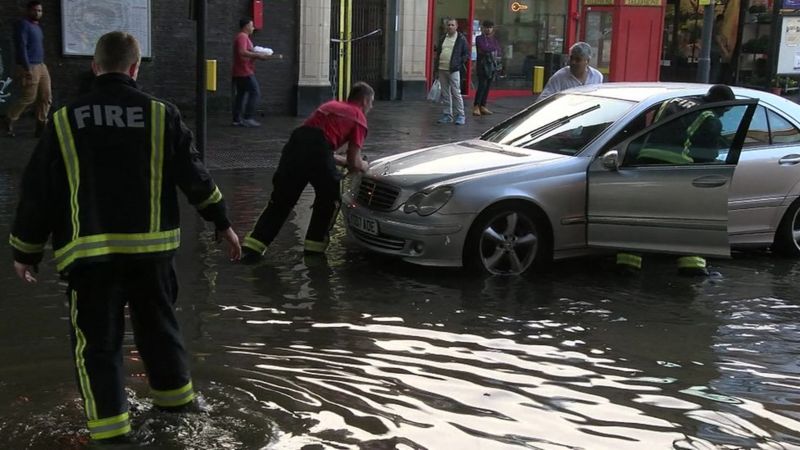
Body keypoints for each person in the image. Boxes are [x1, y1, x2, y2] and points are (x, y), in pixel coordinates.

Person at [9, 31, 242, 443]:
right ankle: (177, 412)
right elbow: (195, 177)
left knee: (97, 346)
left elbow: (38, 190)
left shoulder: (63, 119)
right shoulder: (161, 114)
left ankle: (111, 434)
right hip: (151, 256)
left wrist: (25, 249)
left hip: (90, 257)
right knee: (161, 332)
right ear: (136, 68)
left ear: (95, 66)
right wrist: (222, 223)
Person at [242, 82, 374, 260]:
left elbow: (318, 148)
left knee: (281, 200)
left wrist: (339, 160)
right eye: (371, 103)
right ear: (365, 101)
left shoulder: (330, 106)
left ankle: (253, 248)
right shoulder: (359, 117)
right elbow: (354, 162)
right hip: (319, 149)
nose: (371, 107)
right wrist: (365, 166)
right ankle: (314, 250)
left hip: (296, 144)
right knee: (330, 198)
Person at [616, 84, 735, 277]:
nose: (723, 115)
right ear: (722, 105)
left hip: (645, 164)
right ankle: (692, 266)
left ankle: (627, 264)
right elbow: (707, 154)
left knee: (640, 216)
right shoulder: (710, 118)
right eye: (725, 110)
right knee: (689, 219)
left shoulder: (673, 102)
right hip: (678, 170)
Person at [2, 1, 51, 138]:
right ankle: (8, 119)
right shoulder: (23, 25)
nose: (38, 13)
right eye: (35, 10)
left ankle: (41, 126)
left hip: (41, 66)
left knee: (46, 97)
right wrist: (27, 67)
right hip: (30, 66)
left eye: (40, 11)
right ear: (28, 10)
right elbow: (21, 47)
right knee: (29, 97)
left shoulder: (38, 27)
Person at [231, 17, 282, 128]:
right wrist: (258, 55)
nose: (253, 27)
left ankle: (237, 119)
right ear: (246, 27)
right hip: (244, 71)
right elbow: (242, 52)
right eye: (251, 25)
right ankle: (248, 118)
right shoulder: (242, 37)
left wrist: (259, 56)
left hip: (240, 71)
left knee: (240, 95)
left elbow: (247, 53)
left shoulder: (243, 37)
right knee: (255, 92)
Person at [539, 42, 603, 101]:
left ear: (587, 61)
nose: (573, 62)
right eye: (571, 58)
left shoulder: (597, 76)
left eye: (578, 60)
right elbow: (542, 100)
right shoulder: (559, 77)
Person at [434, 18, 469, 125]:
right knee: (445, 93)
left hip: (453, 69)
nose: (450, 27)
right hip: (442, 68)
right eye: (448, 25)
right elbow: (439, 52)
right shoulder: (443, 38)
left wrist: (458, 63)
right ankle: (447, 115)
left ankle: (461, 115)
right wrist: (436, 68)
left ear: (456, 26)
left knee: (456, 92)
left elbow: (466, 54)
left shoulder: (461, 38)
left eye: (452, 25)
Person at [473, 20, 501, 117]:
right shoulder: (479, 38)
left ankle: (483, 105)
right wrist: (490, 48)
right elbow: (484, 48)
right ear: (482, 28)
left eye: (490, 27)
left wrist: (490, 48)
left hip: (491, 65)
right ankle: (476, 106)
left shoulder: (494, 39)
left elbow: (497, 49)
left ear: (492, 29)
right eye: (486, 27)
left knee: (488, 86)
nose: (488, 29)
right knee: (482, 86)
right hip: (482, 65)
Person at [711, 15, 732, 84]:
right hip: (714, 53)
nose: (722, 24)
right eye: (722, 22)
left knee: (716, 71)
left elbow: (721, 38)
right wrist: (726, 53)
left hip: (715, 53)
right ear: (719, 21)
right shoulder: (715, 29)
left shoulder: (715, 28)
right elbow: (719, 41)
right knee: (715, 72)